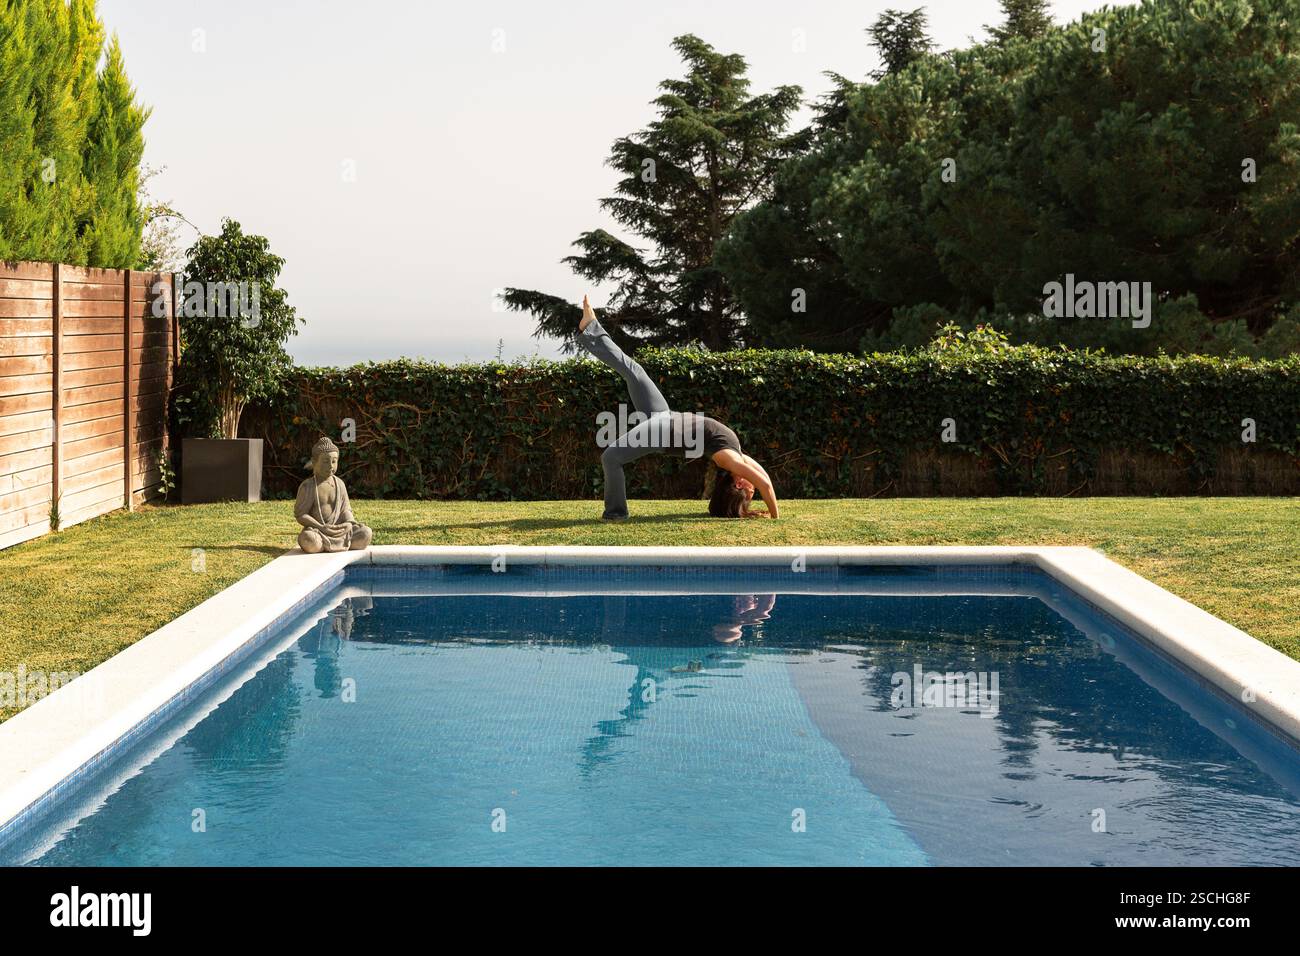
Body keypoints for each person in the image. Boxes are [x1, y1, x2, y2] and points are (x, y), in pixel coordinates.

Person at [577, 295, 779, 520]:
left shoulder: (728, 459)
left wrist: (774, 517)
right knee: (635, 371)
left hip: (662, 431)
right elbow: (765, 480)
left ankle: (615, 513)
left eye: (751, 495)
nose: (754, 492)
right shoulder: (737, 457)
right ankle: (591, 327)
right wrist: (774, 516)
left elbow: (764, 484)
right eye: (753, 494)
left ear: (740, 482)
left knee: (610, 458)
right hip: (664, 416)